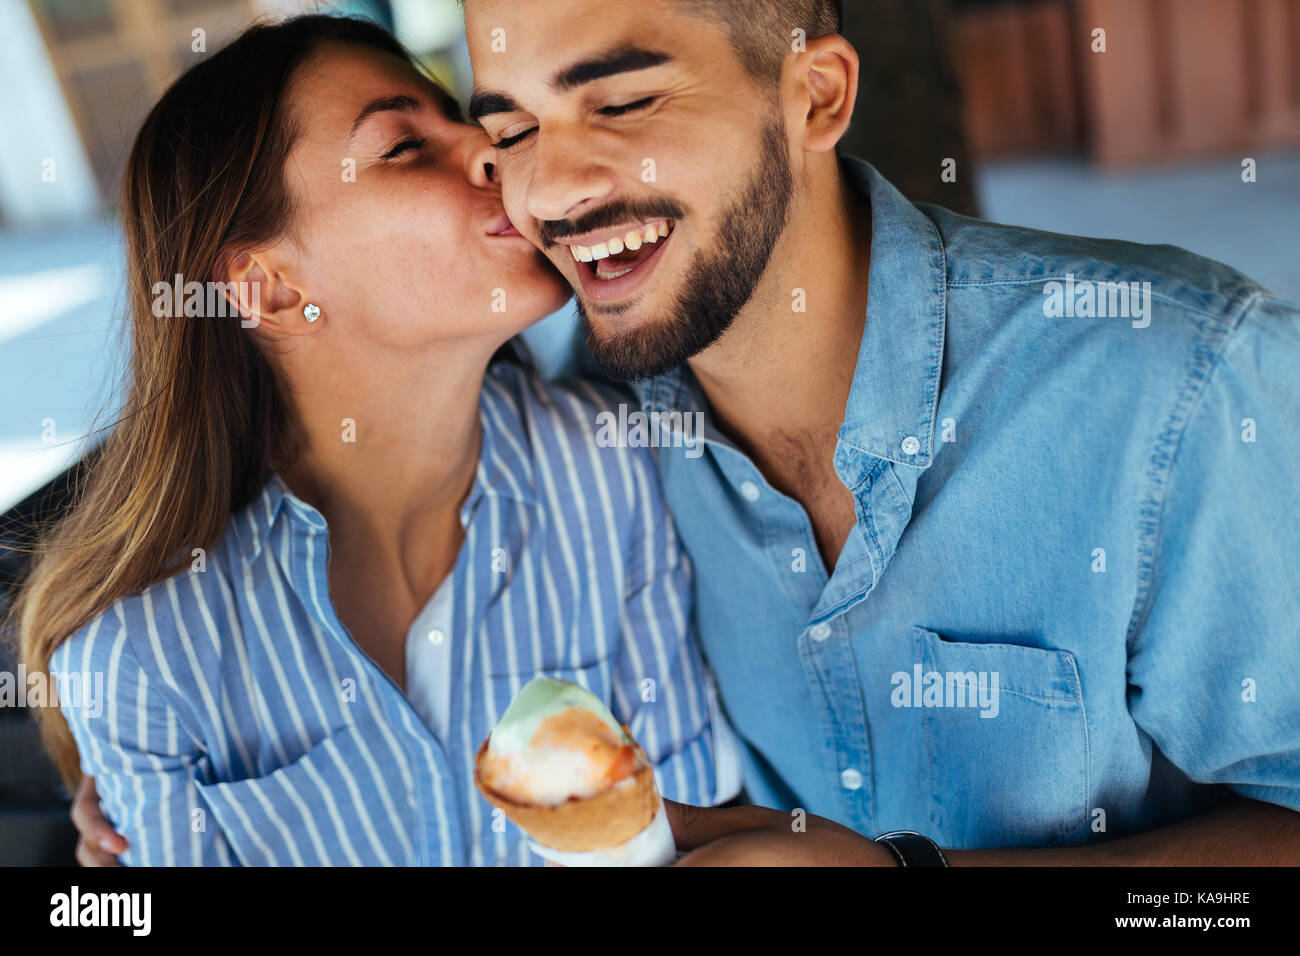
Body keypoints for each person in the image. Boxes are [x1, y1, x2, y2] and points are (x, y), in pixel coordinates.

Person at [461, 0, 1300, 864]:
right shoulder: (592, 427)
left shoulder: (1180, 383)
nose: (550, 189)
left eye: (623, 103)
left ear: (816, 97)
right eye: (513, 132)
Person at [17, 14, 731, 867]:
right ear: (272, 289)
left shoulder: (614, 465)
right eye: (401, 146)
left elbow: (686, 835)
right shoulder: (142, 655)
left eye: (460, 115)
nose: (490, 148)